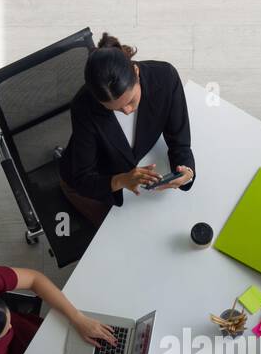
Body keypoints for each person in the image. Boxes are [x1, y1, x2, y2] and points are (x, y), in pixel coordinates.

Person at [58, 32, 195, 227]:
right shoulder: (83, 107)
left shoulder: (165, 78)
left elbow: (179, 141)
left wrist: (186, 170)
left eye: (131, 101)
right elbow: (82, 178)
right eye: (114, 109)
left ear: (136, 72)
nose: (127, 111)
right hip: (90, 185)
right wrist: (120, 181)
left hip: (133, 172)